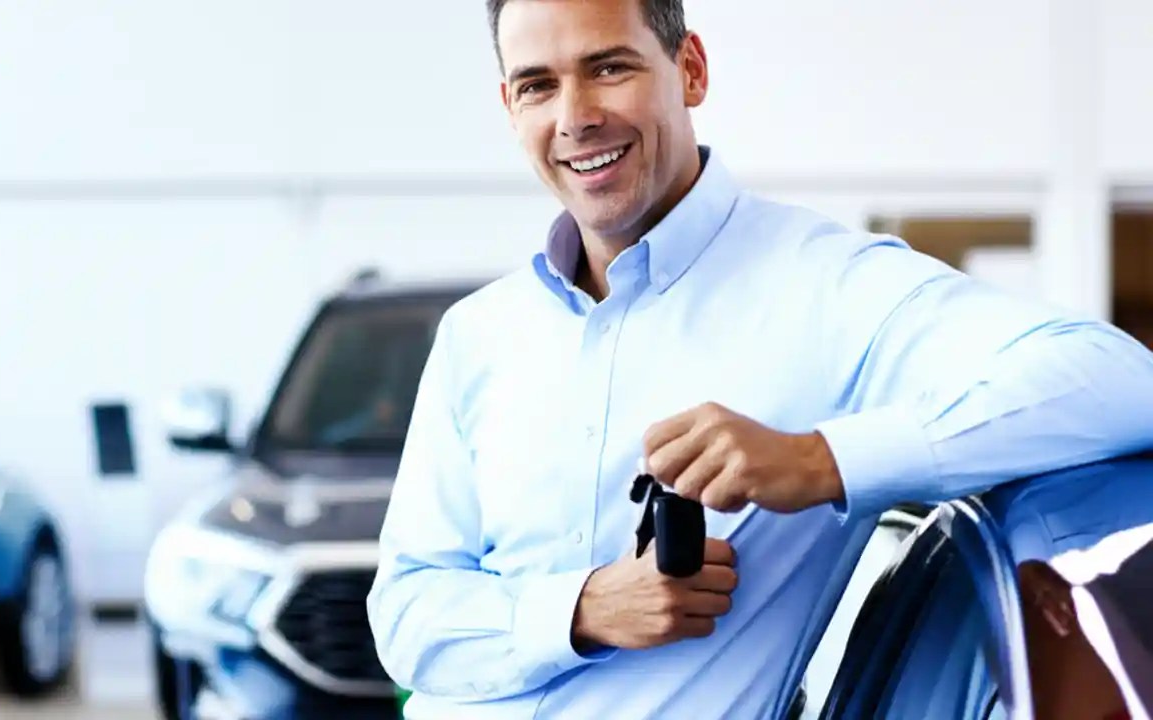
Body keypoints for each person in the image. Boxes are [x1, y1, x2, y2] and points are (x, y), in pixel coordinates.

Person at [366, 0, 1153, 717]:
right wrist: (585, 609)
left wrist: (817, 459)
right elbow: (405, 618)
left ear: (690, 69)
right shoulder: (478, 335)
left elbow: (1122, 382)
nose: (575, 118)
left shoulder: (831, 289)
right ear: (511, 107)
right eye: (538, 85)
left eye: (608, 68)